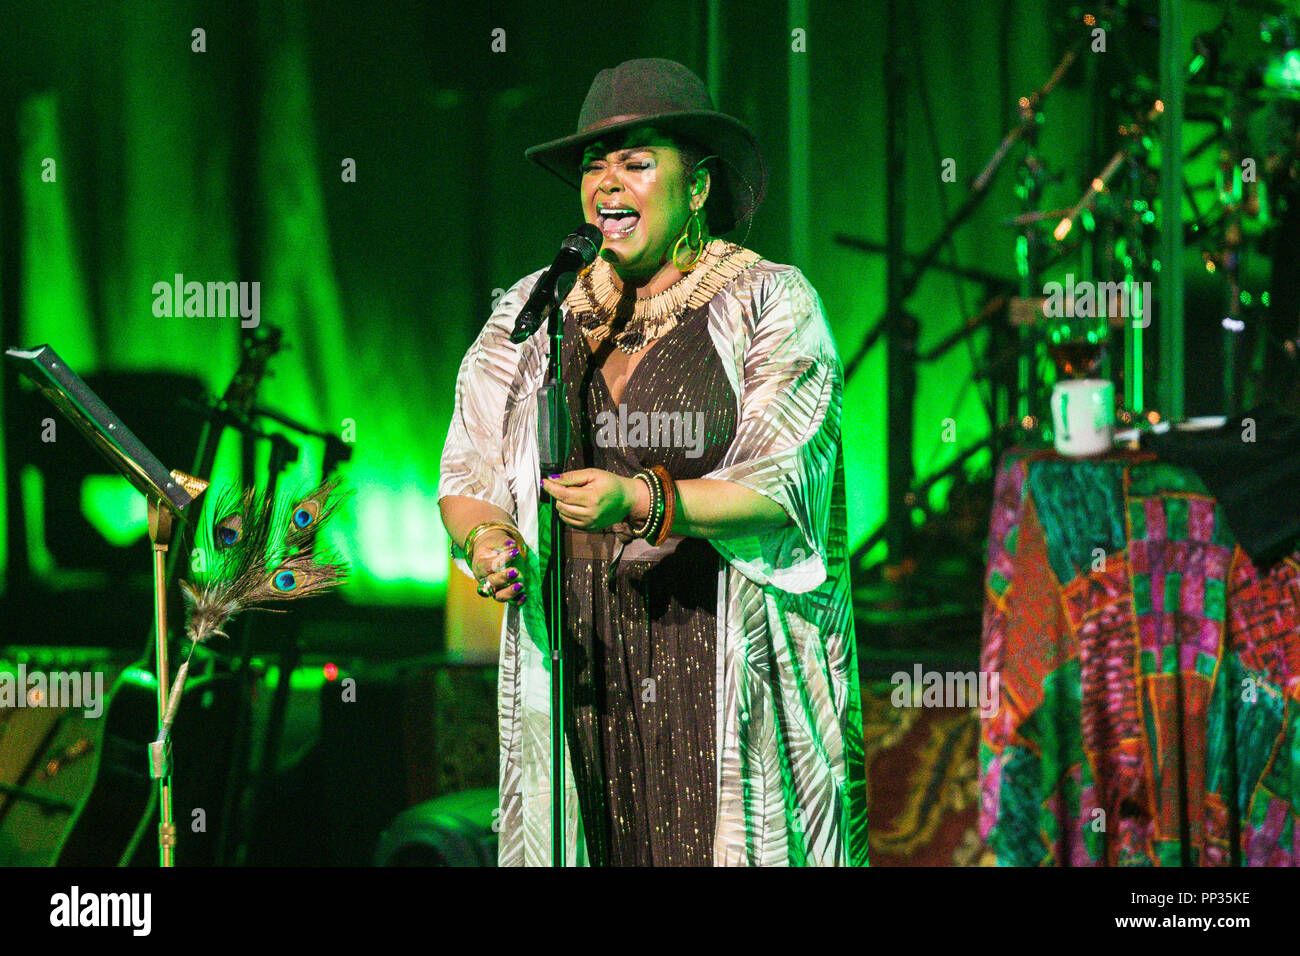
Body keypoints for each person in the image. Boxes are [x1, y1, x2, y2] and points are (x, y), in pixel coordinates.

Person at [439, 57, 868, 866]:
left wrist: (637, 500)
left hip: (710, 648)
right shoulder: (538, 310)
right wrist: (488, 544)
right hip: (581, 660)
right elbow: (467, 472)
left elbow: (781, 486)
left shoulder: (772, 301)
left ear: (698, 186)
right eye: (594, 166)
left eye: (636, 162)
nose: (609, 184)